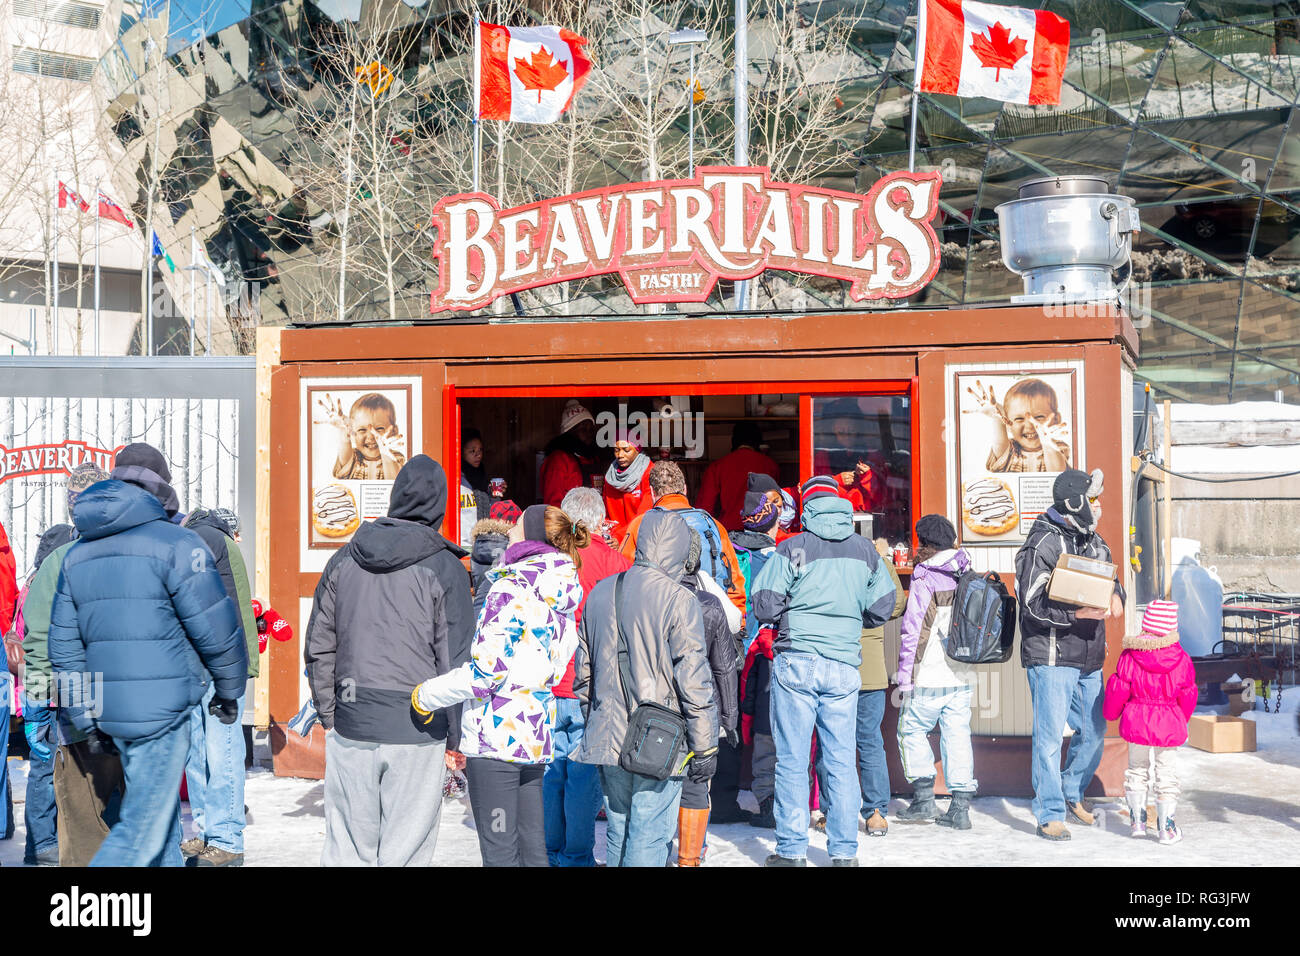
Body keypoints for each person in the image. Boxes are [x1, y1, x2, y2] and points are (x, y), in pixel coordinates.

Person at [48, 443, 246, 867]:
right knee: (153, 821)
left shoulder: (77, 554)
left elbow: (63, 647)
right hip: (162, 709)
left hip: (107, 712)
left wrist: (86, 716)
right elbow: (215, 626)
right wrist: (228, 690)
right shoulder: (178, 543)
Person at [304, 455, 473, 866]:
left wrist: (330, 714)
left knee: (347, 849)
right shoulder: (445, 567)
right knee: (406, 850)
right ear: (440, 507)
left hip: (353, 721)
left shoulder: (344, 558)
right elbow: (456, 659)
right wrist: (455, 736)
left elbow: (318, 644)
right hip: (418, 726)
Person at [413, 505, 582, 867]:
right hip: (535, 732)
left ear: (531, 537)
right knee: (532, 849)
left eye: (517, 527)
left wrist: (426, 694)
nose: (510, 532)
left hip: (496, 736)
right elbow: (558, 664)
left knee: (499, 850)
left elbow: (485, 673)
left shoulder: (510, 587)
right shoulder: (563, 590)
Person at [751, 475, 897, 866]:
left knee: (793, 760)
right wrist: (850, 620)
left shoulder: (794, 548)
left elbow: (764, 603)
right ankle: (844, 853)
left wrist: (790, 617)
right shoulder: (865, 551)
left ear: (806, 505)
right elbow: (884, 605)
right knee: (840, 760)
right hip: (844, 665)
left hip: (796, 660)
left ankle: (791, 851)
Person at [572, 509, 718, 867]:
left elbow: (584, 677)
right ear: (679, 550)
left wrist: (599, 721)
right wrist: (706, 746)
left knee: (619, 831)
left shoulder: (601, 592)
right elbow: (693, 678)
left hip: (607, 734)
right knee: (649, 837)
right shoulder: (679, 599)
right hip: (660, 740)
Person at [1014, 467, 1125, 842]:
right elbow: (1030, 604)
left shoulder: (1095, 540)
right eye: (1094, 500)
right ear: (1075, 503)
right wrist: (1075, 614)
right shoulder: (1043, 543)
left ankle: (1071, 792)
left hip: (1090, 655)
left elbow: (1112, 579)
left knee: (1093, 729)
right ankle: (1049, 812)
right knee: (1049, 738)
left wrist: (1115, 596)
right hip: (1051, 655)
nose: (1099, 506)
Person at [18, 463, 119, 867]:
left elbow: (38, 636)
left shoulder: (61, 559)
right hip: (120, 697)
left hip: (83, 697)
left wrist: (39, 704)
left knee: (83, 801)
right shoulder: (140, 549)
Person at [551, 487, 630, 867]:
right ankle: (576, 855)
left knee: (551, 770)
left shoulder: (552, 558)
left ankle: (549, 850)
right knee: (583, 774)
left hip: (549, 682)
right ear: (601, 520)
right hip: (591, 684)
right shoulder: (616, 562)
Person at [180, 507, 259, 866]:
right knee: (201, 752)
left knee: (220, 751)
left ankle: (226, 836)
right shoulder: (219, 539)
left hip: (217, 666)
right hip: (210, 664)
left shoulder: (206, 538)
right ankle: (208, 832)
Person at [893, 515, 979, 830]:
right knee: (957, 734)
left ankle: (924, 799)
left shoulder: (925, 575)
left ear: (925, 542)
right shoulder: (967, 571)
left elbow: (913, 630)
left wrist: (905, 677)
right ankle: (959, 807)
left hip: (928, 675)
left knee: (912, 730)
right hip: (962, 673)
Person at [1103, 600, 1197, 845]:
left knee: (1137, 769)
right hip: (1167, 723)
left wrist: (1111, 713)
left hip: (1137, 723)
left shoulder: (1130, 655)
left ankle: (1137, 823)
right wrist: (1180, 719)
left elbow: (1118, 688)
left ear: (1146, 625)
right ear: (1171, 629)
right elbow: (1187, 694)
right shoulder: (1182, 659)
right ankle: (1166, 829)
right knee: (1166, 774)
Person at [675, 530, 741, 865]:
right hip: (702, 708)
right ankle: (692, 856)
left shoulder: (644, 594)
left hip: (655, 709)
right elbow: (725, 667)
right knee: (698, 782)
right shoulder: (709, 603)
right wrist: (730, 718)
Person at [17, 521, 77, 865]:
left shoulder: (36, 582)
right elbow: (33, 644)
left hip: (55, 687)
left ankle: (47, 844)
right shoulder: (46, 583)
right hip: (52, 688)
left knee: (52, 764)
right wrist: (37, 706)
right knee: (46, 765)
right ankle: (42, 846)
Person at [620, 460, 746, 618]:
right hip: (711, 618)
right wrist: (738, 623)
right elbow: (735, 580)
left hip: (659, 620)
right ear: (685, 489)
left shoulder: (640, 525)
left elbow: (623, 576)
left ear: (652, 492)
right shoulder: (712, 524)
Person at [854, 538, 906, 837]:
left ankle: (830, 808)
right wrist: (883, 558)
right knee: (870, 740)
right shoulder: (870, 559)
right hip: (868, 667)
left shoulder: (822, 555)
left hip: (831, 663)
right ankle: (875, 812)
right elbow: (895, 603)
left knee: (831, 742)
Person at [969, 377, 1071, 473]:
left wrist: (1047, 443)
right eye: (1019, 419)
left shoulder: (1058, 448)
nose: (1029, 426)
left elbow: (1057, 474)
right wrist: (998, 419)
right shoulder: (1010, 451)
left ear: (1056, 419)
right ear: (1008, 424)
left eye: (1039, 417)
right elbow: (999, 443)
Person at [697, 423, 780, 533]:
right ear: (758, 442)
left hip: (728, 531)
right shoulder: (770, 465)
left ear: (733, 440)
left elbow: (705, 507)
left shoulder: (717, 466)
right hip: (761, 529)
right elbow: (777, 503)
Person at [814, 398, 888, 513]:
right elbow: (812, 490)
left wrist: (867, 477)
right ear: (832, 429)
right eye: (841, 431)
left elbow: (883, 496)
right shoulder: (821, 456)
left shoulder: (874, 456)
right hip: (830, 515)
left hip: (865, 518)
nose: (846, 434)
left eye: (851, 429)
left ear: (858, 428)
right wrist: (835, 480)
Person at [317, 391, 407, 481]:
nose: (371, 436)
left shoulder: (396, 458)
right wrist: (343, 431)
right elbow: (345, 443)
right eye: (362, 430)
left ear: (394, 431)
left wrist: (385, 452)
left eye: (379, 429)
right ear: (352, 432)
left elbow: (395, 483)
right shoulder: (354, 458)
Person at [540, 399, 601, 507]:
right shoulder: (558, 460)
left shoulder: (592, 457)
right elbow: (553, 504)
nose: (589, 434)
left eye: (591, 429)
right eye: (583, 430)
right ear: (570, 432)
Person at [602, 434, 653, 542]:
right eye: (616, 450)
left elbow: (644, 515)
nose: (620, 455)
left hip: (638, 538)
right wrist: (610, 535)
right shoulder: (610, 476)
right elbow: (605, 513)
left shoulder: (648, 473)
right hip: (612, 538)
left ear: (638, 450)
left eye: (626, 450)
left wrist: (621, 537)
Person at [461, 427, 490, 495]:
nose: (478, 455)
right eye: (472, 451)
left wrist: (495, 493)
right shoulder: (460, 477)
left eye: (480, 450)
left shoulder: (480, 470)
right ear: (461, 452)